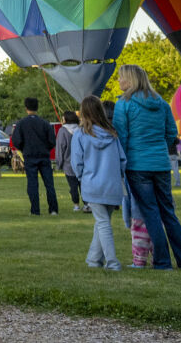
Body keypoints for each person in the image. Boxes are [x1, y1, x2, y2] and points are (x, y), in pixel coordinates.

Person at [111, 64, 181, 270]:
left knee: (150, 213)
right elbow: (171, 133)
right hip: (161, 164)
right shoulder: (162, 103)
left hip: (137, 165)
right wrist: (157, 148)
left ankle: (162, 261)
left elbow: (122, 137)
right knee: (168, 213)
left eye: (121, 77)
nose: (118, 81)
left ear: (130, 80)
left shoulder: (124, 104)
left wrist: (122, 163)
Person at [65, 95, 125, 271]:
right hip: (112, 184)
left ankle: (112, 262)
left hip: (92, 183)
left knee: (102, 223)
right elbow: (122, 159)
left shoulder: (80, 134)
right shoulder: (112, 134)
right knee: (103, 222)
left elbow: (77, 162)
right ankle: (93, 259)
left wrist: (82, 177)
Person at [9, 97, 60, 216]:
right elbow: (52, 141)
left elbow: (16, 140)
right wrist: (46, 148)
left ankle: (35, 210)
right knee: (49, 184)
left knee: (32, 184)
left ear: (26, 108)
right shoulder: (45, 123)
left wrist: (24, 148)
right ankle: (53, 209)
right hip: (44, 155)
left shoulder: (21, 124)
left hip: (29, 156)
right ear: (37, 107)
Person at [55, 111, 84, 213]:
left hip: (68, 164)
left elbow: (60, 148)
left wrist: (59, 163)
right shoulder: (81, 130)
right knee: (83, 185)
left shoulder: (63, 131)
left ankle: (76, 205)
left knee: (73, 186)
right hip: (82, 162)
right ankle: (87, 203)